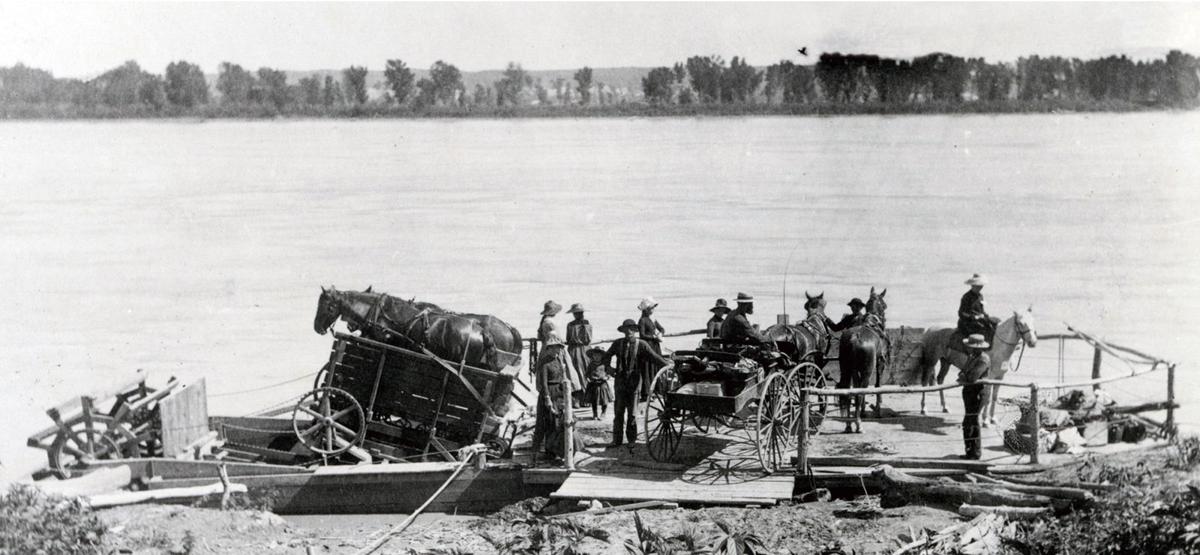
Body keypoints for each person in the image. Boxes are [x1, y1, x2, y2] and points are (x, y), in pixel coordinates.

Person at [605, 319, 671, 447]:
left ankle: (631, 440)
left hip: (634, 383)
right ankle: (616, 440)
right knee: (618, 412)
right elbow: (606, 356)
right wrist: (609, 368)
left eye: (631, 329)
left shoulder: (642, 344)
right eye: (626, 329)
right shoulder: (618, 343)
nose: (629, 331)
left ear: (635, 330)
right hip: (620, 382)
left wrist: (667, 365)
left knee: (632, 413)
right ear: (623, 331)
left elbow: (655, 357)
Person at [531, 333, 575, 464]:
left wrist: (565, 395)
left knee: (557, 422)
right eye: (554, 347)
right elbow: (543, 383)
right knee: (547, 423)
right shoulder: (544, 362)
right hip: (548, 392)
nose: (557, 350)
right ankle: (546, 453)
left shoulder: (559, 360)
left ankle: (556, 451)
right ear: (548, 348)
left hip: (559, 393)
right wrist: (547, 399)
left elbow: (562, 377)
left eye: (559, 347)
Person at [958, 334, 992, 460]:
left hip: (979, 393)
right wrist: (964, 375)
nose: (969, 348)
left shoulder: (983, 359)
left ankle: (975, 452)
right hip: (969, 392)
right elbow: (962, 372)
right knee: (968, 421)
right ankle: (970, 451)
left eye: (971, 346)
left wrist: (964, 376)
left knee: (972, 421)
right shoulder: (972, 357)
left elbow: (972, 377)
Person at [636, 297, 665, 401]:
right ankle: (646, 393)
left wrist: (660, 334)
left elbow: (662, 329)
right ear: (646, 309)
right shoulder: (642, 320)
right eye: (651, 308)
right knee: (647, 368)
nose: (653, 310)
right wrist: (653, 337)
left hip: (655, 346)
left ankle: (656, 391)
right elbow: (642, 335)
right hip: (647, 346)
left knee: (655, 367)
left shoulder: (653, 319)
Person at [564, 303, 591, 406]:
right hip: (577, 350)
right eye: (576, 313)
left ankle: (583, 399)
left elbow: (587, 339)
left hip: (580, 350)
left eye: (579, 313)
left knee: (581, 373)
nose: (578, 315)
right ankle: (579, 399)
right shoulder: (571, 325)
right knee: (575, 373)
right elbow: (587, 339)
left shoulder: (584, 324)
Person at [957, 274, 997, 343]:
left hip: (979, 320)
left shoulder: (980, 296)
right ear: (973, 285)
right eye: (978, 286)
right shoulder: (966, 297)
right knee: (981, 329)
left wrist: (986, 316)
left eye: (981, 286)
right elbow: (961, 313)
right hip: (967, 322)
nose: (980, 288)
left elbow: (981, 310)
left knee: (993, 325)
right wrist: (974, 317)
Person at [584, 347, 614, 421]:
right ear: (592, 356)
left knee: (604, 400)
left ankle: (603, 413)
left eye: (598, 355)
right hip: (593, 384)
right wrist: (588, 379)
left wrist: (606, 377)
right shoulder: (591, 365)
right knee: (593, 400)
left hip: (602, 384)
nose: (597, 357)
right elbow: (587, 374)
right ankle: (595, 413)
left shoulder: (604, 364)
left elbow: (609, 373)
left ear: (602, 356)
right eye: (595, 355)